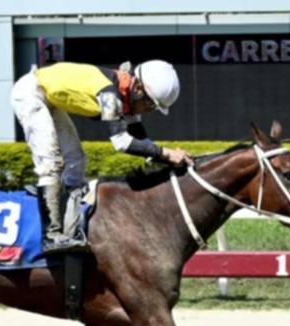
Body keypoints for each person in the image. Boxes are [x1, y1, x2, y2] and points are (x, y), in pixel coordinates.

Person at [10, 60, 194, 254]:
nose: (149, 110)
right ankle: (51, 236)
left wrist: (168, 157)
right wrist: (165, 153)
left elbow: (140, 139)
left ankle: (69, 221)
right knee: (51, 163)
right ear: (138, 88)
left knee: (76, 159)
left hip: (49, 98)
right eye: (150, 104)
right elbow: (121, 142)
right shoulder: (110, 94)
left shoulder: (127, 94)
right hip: (31, 93)